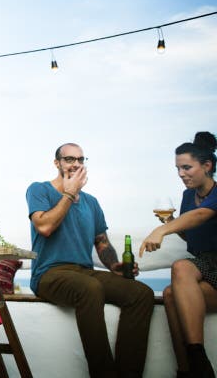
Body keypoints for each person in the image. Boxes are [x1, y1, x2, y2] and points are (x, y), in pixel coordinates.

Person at [26, 143, 155, 378]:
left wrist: (114, 265)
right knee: (90, 288)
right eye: (69, 159)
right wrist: (68, 194)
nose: (76, 164)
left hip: (84, 271)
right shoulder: (39, 190)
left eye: (81, 159)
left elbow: (101, 242)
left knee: (141, 294)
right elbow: (44, 226)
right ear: (57, 163)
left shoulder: (91, 202)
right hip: (49, 274)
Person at [140, 131, 217, 378]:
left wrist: (162, 229)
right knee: (171, 295)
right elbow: (190, 232)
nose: (181, 174)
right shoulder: (187, 196)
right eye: (178, 169)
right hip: (207, 270)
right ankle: (187, 371)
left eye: (186, 167)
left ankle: (198, 360)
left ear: (207, 166)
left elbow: (201, 216)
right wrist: (172, 221)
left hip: (213, 264)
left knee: (181, 267)